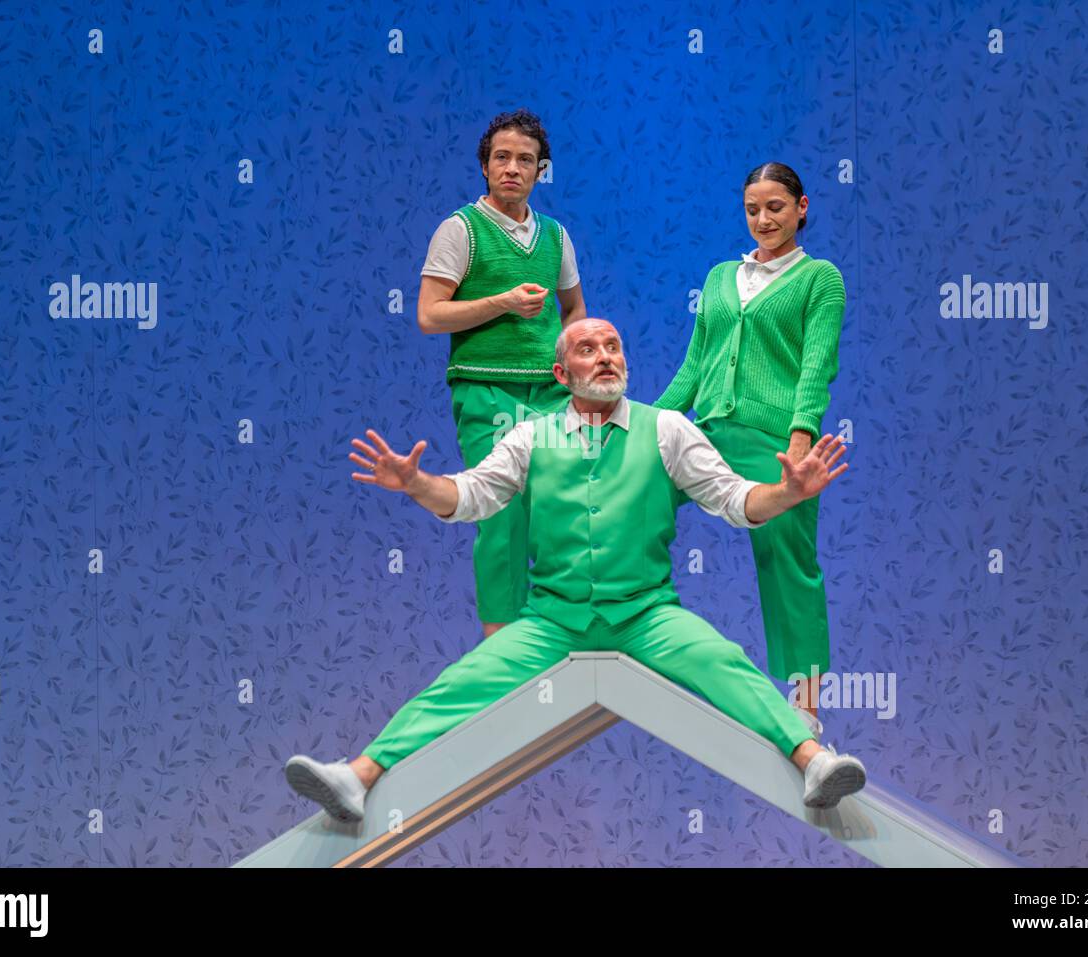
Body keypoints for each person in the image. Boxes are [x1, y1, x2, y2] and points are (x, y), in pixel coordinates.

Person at [285, 319, 866, 824]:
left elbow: (737, 502)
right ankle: (355, 778)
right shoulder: (531, 435)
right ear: (561, 375)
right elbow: (467, 497)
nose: (606, 356)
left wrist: (786, 494)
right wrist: (415, 484)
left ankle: (815, 762)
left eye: (613, 346)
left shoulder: (666, 428)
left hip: (646, 615)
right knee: (461, 683)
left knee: (723, 664)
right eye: (589, 349)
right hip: (552, 621)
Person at [654, 162, 846, 738]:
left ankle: (805, 707)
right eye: (752, 209)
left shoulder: (821, 279)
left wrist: (799, 444)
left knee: (789, 559)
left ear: (802, 207)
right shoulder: (718, 277)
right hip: (707, 433)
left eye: (776, 208)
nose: (763, 219)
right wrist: (642, 427)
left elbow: (816, 366)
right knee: (631, 501)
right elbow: (694, 364)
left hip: (775, 441)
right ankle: (607, 627)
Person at [417, 108, 587, 640]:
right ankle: (502, 651)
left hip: (551, 391)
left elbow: (575, 310)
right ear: (485, 167)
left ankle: (561, 632)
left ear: (541, 171)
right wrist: (502, 302)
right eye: (501, 158)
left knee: (566, 508)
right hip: (487, 387)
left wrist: (574, 366)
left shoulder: (556, 236)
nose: (512, 168)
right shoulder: (460, 229)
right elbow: (429, 314)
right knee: (502, 515)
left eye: (526, 160)